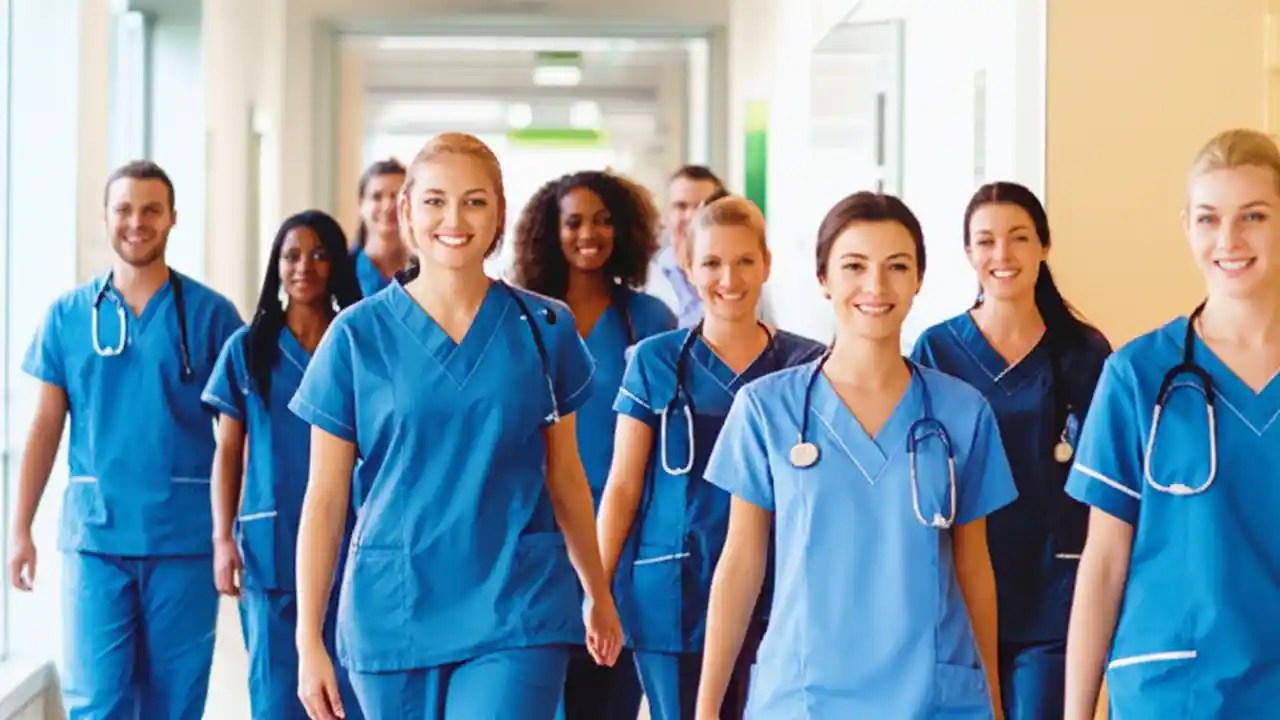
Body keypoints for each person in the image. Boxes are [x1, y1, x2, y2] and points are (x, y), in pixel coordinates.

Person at [289, 132, 623, 720]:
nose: (455, 218)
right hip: (394, 606)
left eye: (474, 201)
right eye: (436, 200)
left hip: (516, 602)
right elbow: (325, 497)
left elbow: (566, 474)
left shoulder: (544, 327)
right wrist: (307, 639)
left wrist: (596, 591)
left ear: (499, 213)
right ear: (406, 212)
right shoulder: (356, 337)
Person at [695, 191, 1017, 719]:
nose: (876, 286)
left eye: (897, 267)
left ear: (918, 280)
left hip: (932, 698)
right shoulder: (767, 410)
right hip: (805, 697)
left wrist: (995, 703)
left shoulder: (963, 413)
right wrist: (707, 709)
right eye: (854, 266)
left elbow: (974, 567)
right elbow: (740, 564)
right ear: (824, 279)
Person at [7, 160, 244, 719]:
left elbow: (239, 438)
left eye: (150, 210)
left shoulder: (211, 317)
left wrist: (229, 532)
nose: (136, 222)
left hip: (182, 541)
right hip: (97, 540)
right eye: (124, 209)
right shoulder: (68, 316)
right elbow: (44, 427)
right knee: (97, 700)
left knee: (175, 701)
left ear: (172, 219)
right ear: (106, 217)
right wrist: (19, 527)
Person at [1064, 129, 1280, 718]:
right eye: (1209, 218)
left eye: (1253, 216)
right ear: (1186, 226)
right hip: (1172, 692)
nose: (1229, 240)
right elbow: (1103, 561)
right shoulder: (1138, 375)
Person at [596, 196, 824, 719]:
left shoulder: (805, 365)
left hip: (776, 589)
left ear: (766, 264)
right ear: (689, 268)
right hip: (669, 592)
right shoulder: (656, 360)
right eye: (713, 263)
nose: (730, 277)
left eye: (745, 261)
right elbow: (624, 486)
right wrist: (598, 588)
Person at [911, 182, 1112, 719]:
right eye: (987, 241)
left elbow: (1108, 482)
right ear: (969, 253)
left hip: (1055, 594)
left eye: (1019, 237)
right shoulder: (936, 351)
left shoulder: (1083, 352)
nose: (1003, 255)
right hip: (956, 592)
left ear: (1043, 247)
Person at [511, 170, 676, 720]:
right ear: (548, 232)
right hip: (540, 537)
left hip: (622, 537)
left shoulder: (649, 321)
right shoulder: (525, 318)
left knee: (607, 698)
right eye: (574, 221)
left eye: (604, 220)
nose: (591, 234)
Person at [201, 210, 364, 719]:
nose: (305, 266)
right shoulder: (248, 350)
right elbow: (228, 452)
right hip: (270, 552)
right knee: (276, 700)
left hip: (353, 547)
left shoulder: (359, 342)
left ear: (337, 263)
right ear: (276, 266)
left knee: (350, 700)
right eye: (291, 255)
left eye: (319, 254)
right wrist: (222, 539)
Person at [648, 165, 724, 327]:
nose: (691, 216)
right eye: (681, 206)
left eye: (702, 207)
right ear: (666, 214)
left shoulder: (745, 282)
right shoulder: (646, 283)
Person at [350, 158, 408, 295]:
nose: (388, 206)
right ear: (361, 205)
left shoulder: (428, 273)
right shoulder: (339, 271)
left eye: (397, 196)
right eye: (377, 197)